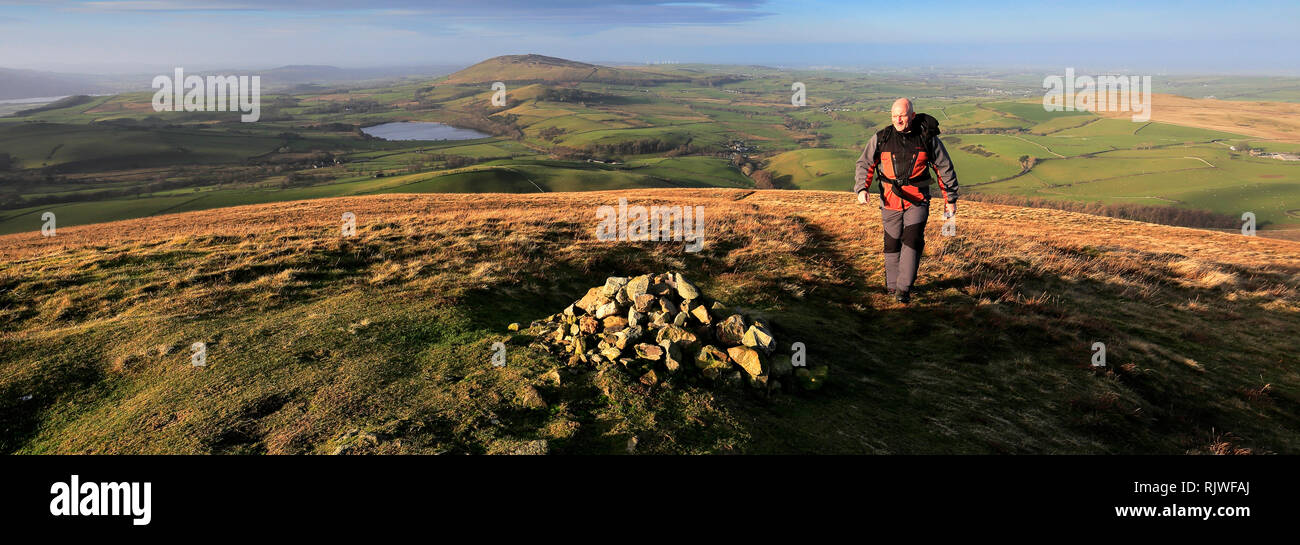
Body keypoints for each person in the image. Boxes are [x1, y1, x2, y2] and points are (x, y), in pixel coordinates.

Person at [853, 98, 959, 304]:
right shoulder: (882, 138)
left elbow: (944, 167)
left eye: (902, 115)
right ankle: (892, 287)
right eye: (894, 116)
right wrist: (861, 188)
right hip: (889, 200)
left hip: (917, 200)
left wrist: (950, 199)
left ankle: (904, 289)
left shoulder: (927, 138)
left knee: (912, 240)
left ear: (911, 115)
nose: (898, 120)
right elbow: (865, 163)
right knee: (892, 243)